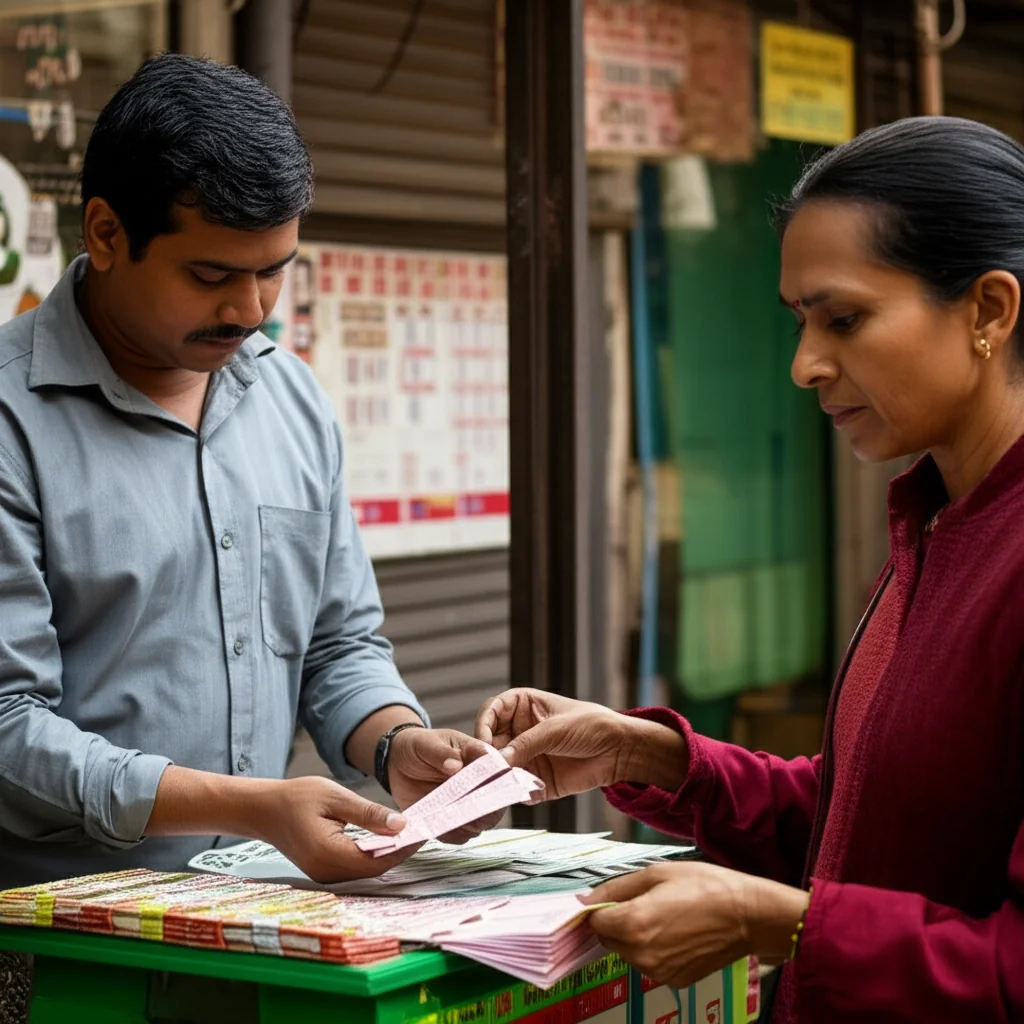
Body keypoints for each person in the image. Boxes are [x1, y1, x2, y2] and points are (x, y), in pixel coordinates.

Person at [478, 116, 1024, 1022]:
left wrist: (786, 928)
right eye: (802, 322)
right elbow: (868, 826)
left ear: (988, 311)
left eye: (845, 318)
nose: (807, 365)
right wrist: (646, 752)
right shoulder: (932, 524)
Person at [0, 54, 491, 893]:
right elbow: (10, 726)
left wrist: (395, 743)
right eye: (212, 275)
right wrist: (252, 806)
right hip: (60, 940)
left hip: (262, 912)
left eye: (274, 270)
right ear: (107, 234)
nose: (251, 309)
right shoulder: (13, 419)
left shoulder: (290, 397)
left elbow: (337, 646)